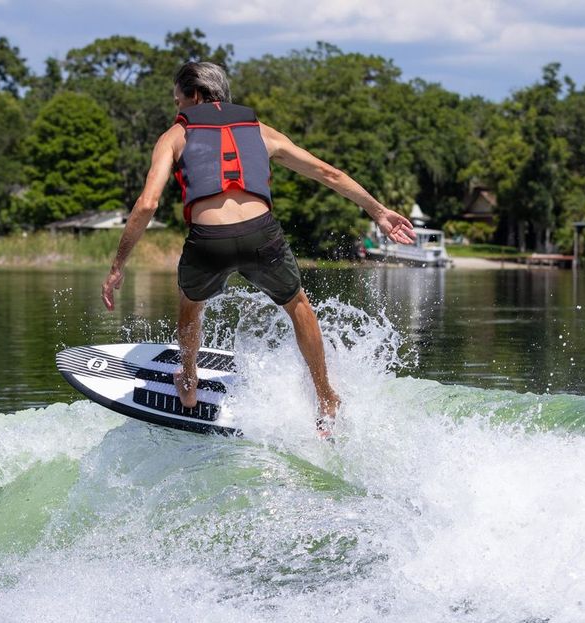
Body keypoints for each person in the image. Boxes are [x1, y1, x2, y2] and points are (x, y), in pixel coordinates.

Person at [100, 61, 416, 434]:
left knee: (189, 300)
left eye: (178, 101)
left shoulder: (175, 135)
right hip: (261, 235)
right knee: (298, 305)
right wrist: (378, 212)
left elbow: (148, 203)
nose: (176, 110)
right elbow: (328, 173)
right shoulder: (261, 131)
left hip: (208, 242)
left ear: (196, 96)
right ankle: (326, 396)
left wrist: (118, 265)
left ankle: (187, 380)